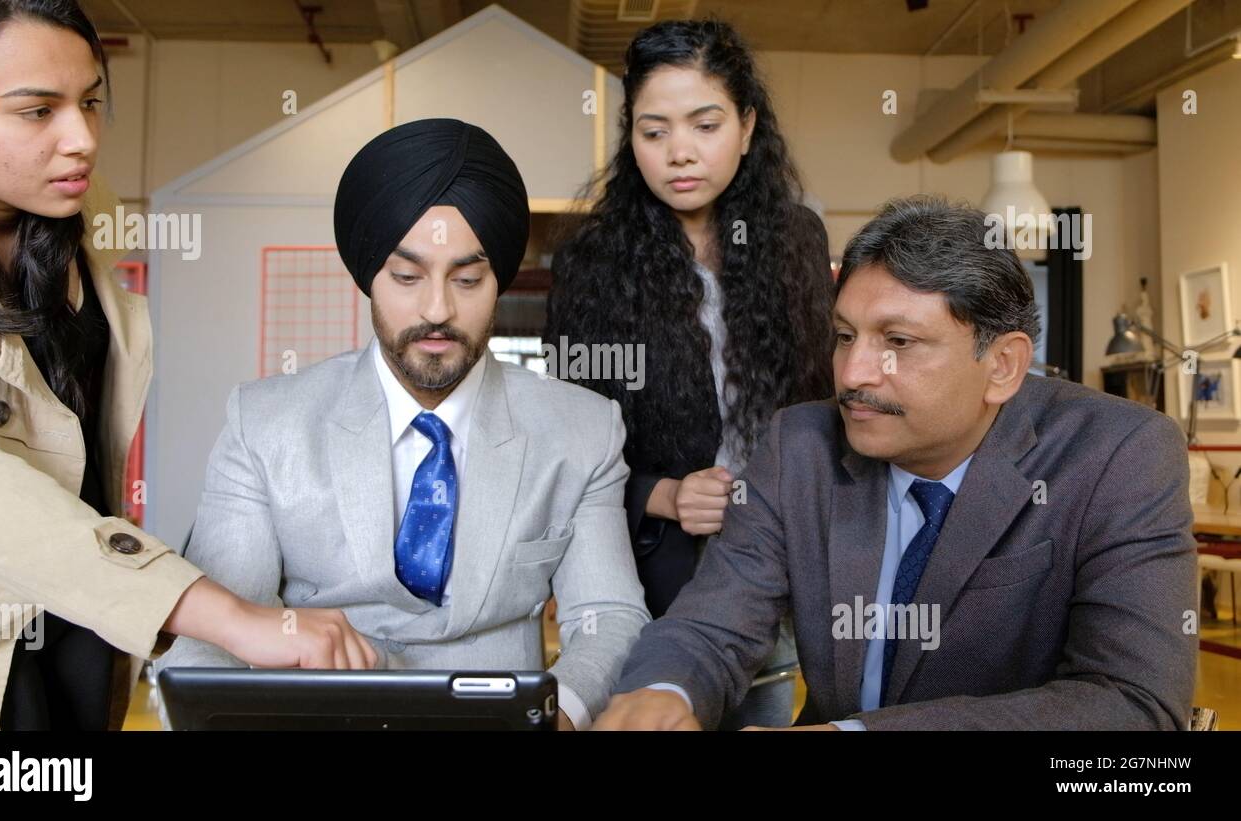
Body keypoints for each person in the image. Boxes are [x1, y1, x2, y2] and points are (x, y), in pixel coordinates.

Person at [595, 196, 1197, 731]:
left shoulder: (1120, 453)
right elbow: (714, 622)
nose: (854, 374)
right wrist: (662, 690)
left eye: (898, 342)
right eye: (845, 336)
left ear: (1003, 366)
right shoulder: (798, 445)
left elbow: (1133, 701)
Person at [0, 0, 374, 731]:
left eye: (90, 103)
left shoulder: (80, 211)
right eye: (36, 111)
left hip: (81, 627)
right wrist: (226, 614)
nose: (80, 139)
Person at [157, 118, 651, 731]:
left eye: (468, 279)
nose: (438, 310)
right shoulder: (266, 423)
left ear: (500, 280)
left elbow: (609, 616)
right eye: (407, 276)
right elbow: (222, 622)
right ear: (368, 276)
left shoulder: (582, 429)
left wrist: (562, 719)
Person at [544, 18, 834, 729]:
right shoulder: (593, 261)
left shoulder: (797, 239)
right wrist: (664, 493)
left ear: (746, 124)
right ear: (630, 137)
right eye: (654, 131)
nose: (680, 153)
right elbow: (564, 438)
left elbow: (821, 406)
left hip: (778, 565)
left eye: (705, 125)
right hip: (655, 577)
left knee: (768, 706)